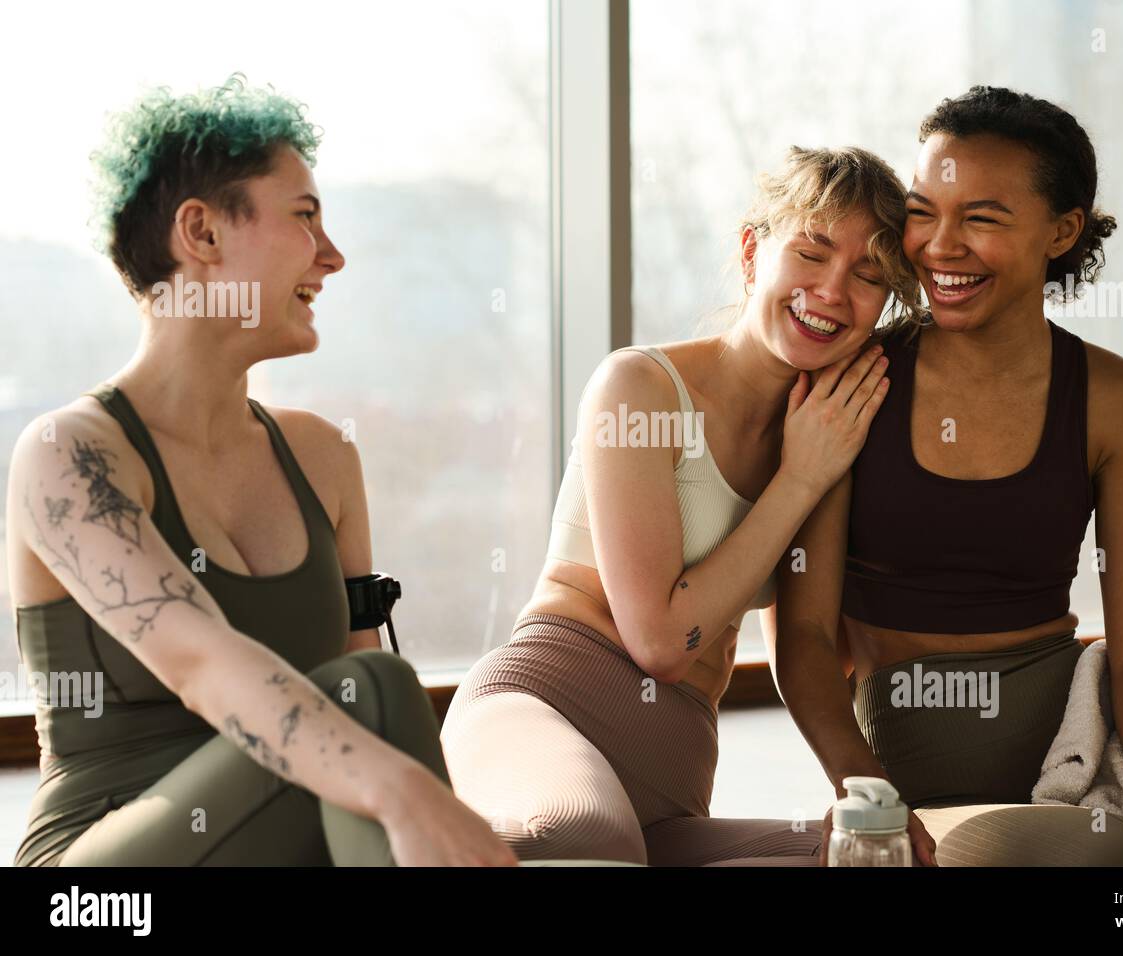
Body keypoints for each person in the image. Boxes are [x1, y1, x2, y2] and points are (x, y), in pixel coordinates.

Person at [771, 86, 1123, 867]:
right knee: (1111, 864)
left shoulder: (1116, 399)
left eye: (981, 219)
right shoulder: (854, 378)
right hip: (924, 760)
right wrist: (866, 790)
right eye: (922, 212)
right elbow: (805, 637)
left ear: (1062, 230)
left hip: (1080, 735)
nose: (940, 246)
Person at [7, 76, 515, 866]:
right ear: (202, 233)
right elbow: (201, 663)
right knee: (373, 691)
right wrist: (403, 791)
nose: (333, 256)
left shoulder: (323, 456)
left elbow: (365, 695)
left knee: (373, 690)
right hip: (100, 890)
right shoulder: (68, 453)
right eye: (305, 217)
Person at [439, 147, 914, 865]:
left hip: (669, 786)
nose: (832, 290)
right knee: (583, 837)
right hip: (543, 712)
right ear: (752, 253)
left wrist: (875, 804)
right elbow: (659, 643)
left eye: (868, 275)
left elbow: (806, 649)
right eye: (811, 253)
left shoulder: (825, 435)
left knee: (869, 859)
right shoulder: (640, 388)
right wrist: (798, 479)